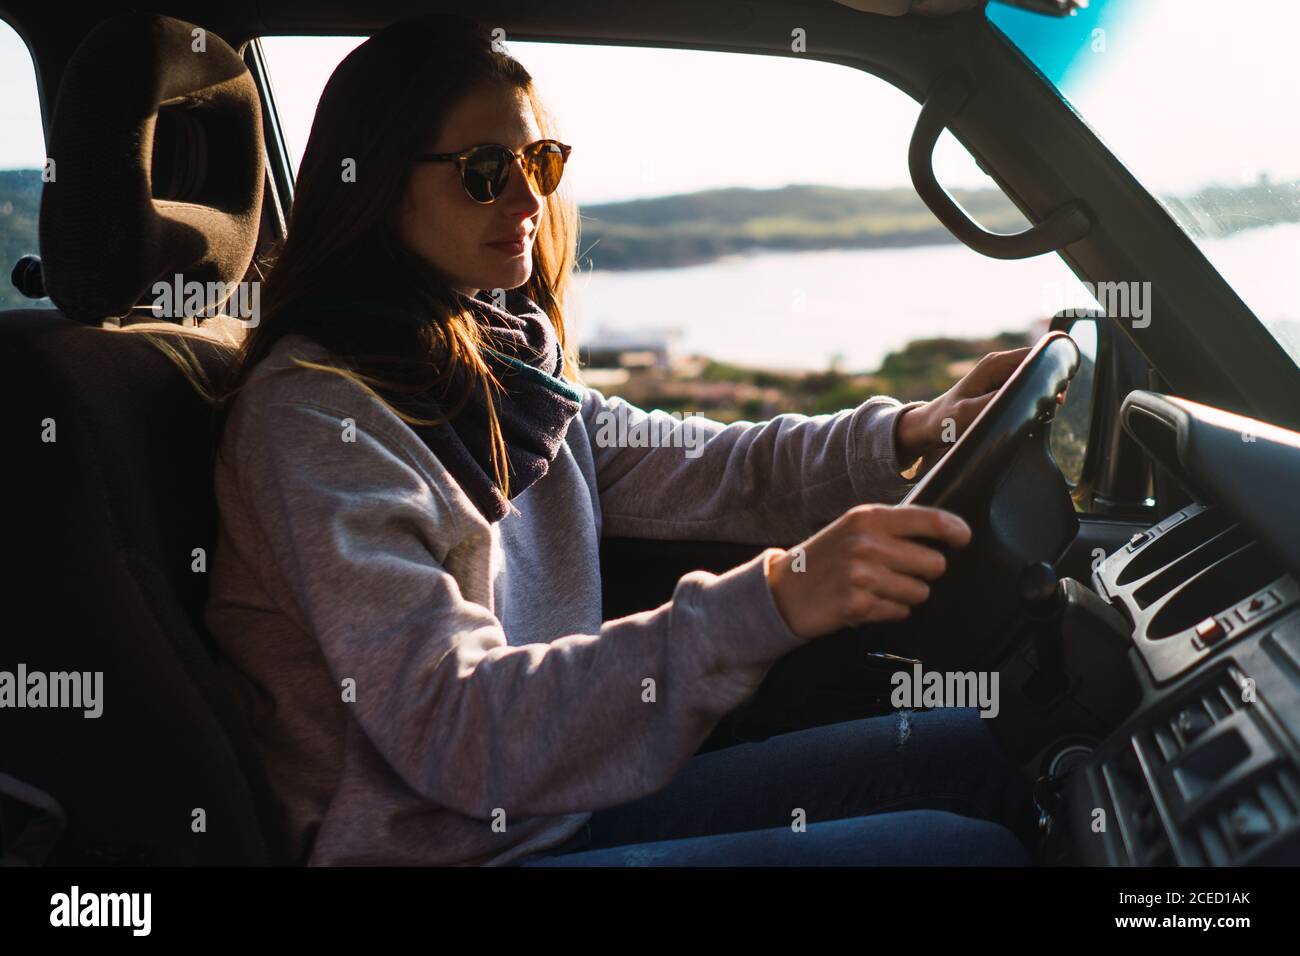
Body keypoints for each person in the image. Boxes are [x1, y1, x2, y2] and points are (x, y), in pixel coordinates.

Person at [171, 13, 1038, 866]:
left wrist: (907, 432)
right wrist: (775, 599)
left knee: (972, 752)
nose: (527, 199)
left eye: (538, 162)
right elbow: (459, 729)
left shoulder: (500, 374)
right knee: (963, 850)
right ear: (378, 186)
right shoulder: (320, 419)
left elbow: (710, 467)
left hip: (555, 811)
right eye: (483, 172)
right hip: (452, 849)